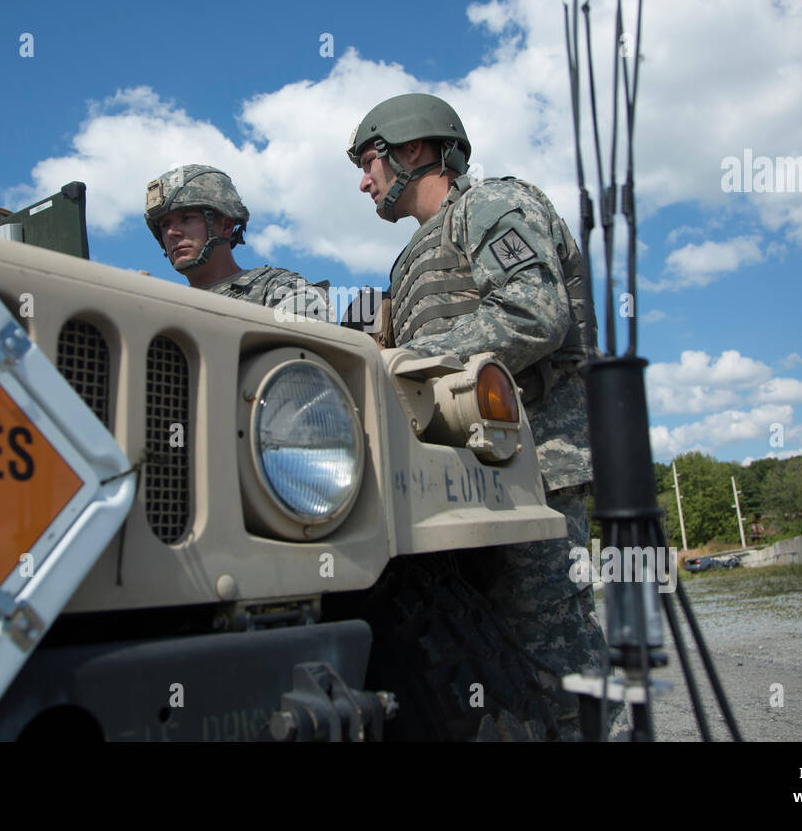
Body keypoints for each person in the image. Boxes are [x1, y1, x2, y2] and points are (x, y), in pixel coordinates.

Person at [348, 93, 606, 738]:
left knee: (553, 658)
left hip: (535, 470)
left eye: (368, 159)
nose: (362, 179)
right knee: (484, 662)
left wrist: (399, 359)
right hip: (458, 483)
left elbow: (532, 315)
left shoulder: (492, 205)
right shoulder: (407, 262)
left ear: (412, 151)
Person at [144, 165, 328, 320]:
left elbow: (305, 357)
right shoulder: (161, 308)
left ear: (226, 226)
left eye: (186, 218)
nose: (171, 232)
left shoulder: (279, 288)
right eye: (164, 224)